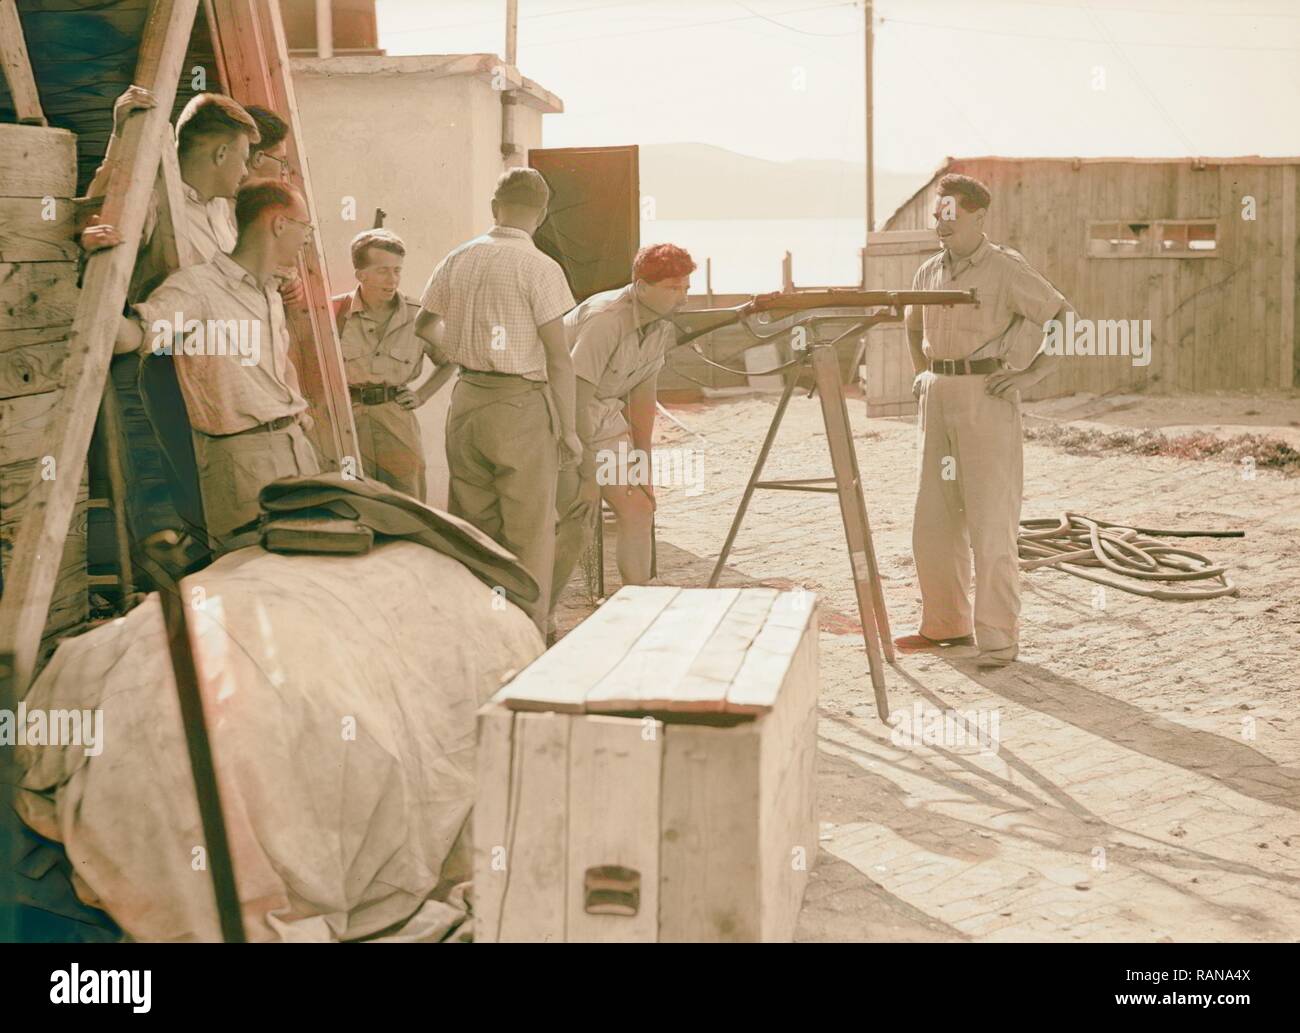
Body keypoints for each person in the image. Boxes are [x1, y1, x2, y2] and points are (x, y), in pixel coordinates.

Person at [894, 173, 1074, 668]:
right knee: (932, 522)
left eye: (950, 213)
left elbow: (1064, 318)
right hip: (938, 394)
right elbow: (912, 327)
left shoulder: (1005, 269)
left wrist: (1031, 375)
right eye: (937, 214)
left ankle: (997, 638)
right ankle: (945, 626)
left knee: (990, 522)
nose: (941, 223)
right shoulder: (928, 272)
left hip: (985, 396)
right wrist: (921, 376)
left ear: (977, 216)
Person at [111, 181, 321, 550]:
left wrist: (297, 410)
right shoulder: (197, 289)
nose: (307, 238)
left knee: (310, 576)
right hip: (242, 463)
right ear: (279, 223)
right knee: (254, 582)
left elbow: (277, 364)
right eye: (305, 226)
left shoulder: (268, 292)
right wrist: (96, 273)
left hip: (294, 448)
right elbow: (131, 336)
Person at [415, 168, 579, 630]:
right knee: (529, 531)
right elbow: (558, 358)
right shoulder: (541, 267)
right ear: (541, 215)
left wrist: (466, 351)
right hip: (519, 405)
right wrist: (568, 430)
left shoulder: (458, 258)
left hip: (466, 400)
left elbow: (423, 326)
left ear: (494, 207)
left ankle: (479, 629)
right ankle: (529, 632)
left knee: (471, 529)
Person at [550, 243, 694, 618]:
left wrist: (642, 461)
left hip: (600, 416)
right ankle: (541, 612)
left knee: (639, 505)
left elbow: (643, 395)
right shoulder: (606, 318)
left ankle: (639, 600)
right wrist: (586, 473)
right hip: (557, 416)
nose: (681, 298)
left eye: (685, 288)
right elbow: (575, 396)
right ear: (641, 286)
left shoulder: (659, 323)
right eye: (672, 289)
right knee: (573, 518)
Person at [333, 228, 453, 499]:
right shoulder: (335, 314)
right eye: (383, 271)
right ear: (360, 275)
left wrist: (422, 395)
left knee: (407, 501)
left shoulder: (417, 316)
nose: (392, 279)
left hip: (396, 422)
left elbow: (450, 359)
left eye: (397, 270)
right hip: (349, 422)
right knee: (351, 499)